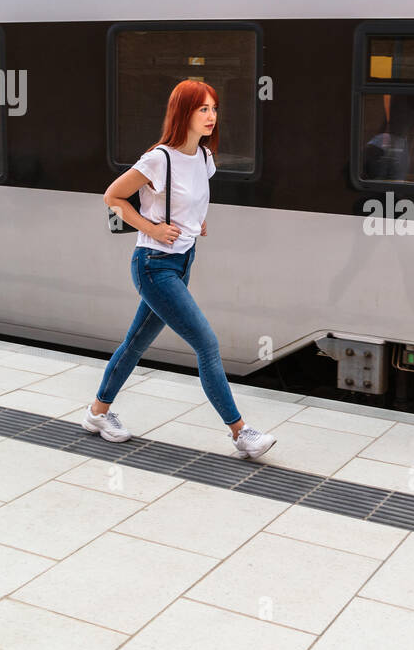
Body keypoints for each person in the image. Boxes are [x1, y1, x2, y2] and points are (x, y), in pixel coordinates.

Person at [84, 79, 276, 460]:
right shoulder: (159, 158)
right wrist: (152, 228)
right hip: (153, 266)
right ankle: (241, 433)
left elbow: (190, 202)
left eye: (214, 109)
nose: (211, 116)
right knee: (206, 344)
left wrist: (196, 222)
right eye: (202, 109)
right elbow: (113, 196)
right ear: (183, 113)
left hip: (183, 262)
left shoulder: (205, 158)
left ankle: (97, 413)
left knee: (135, 343)